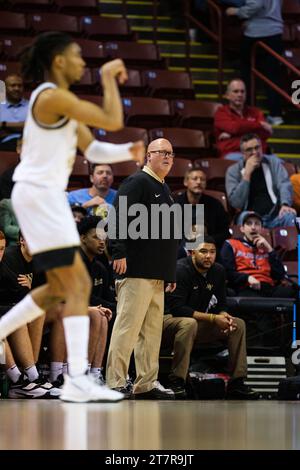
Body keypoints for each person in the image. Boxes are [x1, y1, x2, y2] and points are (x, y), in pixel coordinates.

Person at [0, 31, 145, 403]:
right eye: (79, 56)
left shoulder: (59, 105)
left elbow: (93, 145)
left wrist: (126, 150)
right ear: (60, 61)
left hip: (46, 197)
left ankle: (75, 376)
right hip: (37, 195)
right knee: (76, 283)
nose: (84, 61)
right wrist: (109, 78)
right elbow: (112, 118)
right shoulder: (51, 95)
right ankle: (77, 378)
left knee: (69, 286)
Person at [106, 138, 179, 399]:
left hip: (157, 274)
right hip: (136, 270)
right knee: (127, 328)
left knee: (151, 334)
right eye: (162, 152)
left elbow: (169, 236)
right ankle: (115, 382)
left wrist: (169, 272)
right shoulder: (138, 182)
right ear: (149, 155)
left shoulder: (164, 188)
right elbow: (117, 215)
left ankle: (146, 384)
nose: (168, 157)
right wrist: (118, 251)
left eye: (171, 153)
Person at [165, 236, 259, 399]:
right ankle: (177, 381)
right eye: (203, 251)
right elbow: (178, 309)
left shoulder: (218, 271)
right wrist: (214, 319)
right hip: (169, 322)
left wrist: (224, 316)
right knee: (189, 323)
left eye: (212, 252)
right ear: (192, 253)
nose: (208, 256)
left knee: (238, 324)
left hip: (198, 324)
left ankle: (236, 383)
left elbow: (222, 304)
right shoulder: (180, 269)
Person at [220, 211, 295, 345]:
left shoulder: (265, 247)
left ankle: (291, 344)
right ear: (242, 228)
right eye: (249, 224)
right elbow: (226, 271)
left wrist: (270, 250)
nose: (253, 227)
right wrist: (246, 278)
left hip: (268, 288)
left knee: (294, 292)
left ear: (261, 228)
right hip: (245, 288)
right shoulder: (231, 244)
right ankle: (263, 348)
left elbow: (279, 275)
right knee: (262, 316)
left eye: (257, 224)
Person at [226, 0, 284, 125]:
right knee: (272, 75)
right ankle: (275, 114)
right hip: (275, 32)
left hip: (257, 33)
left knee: (247, 72)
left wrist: (237, 12)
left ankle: (248, 113)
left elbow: (256, 4)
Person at [225, 133, 296, 228]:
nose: (255, 152)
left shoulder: (273, 163)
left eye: (257, 147)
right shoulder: (233, 171)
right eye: (249, 150)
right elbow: (236, 202)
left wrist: (285, 204)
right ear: (243, 154)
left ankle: (298, 243)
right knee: (244, 219)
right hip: (249, 216)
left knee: (289, 216)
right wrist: (247, 175)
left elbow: (284, 184)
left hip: (275, 215)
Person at [214, 78, 272, 160]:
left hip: (258, 154)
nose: (240, 95)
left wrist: (234, 135)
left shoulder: (256, 112)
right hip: (234, 154)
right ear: (227, 95)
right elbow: (234, 128)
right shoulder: (221, 113)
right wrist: (258, 125)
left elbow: (265, 133)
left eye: (242, 91)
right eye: (236, 91)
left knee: (282, 165)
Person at [175, 166, 230, 253]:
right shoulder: (174, 203)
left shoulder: (215, 204)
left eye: (202, 179)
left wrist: (208, 240)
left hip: (209, 249)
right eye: (194, 179)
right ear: (186, 182)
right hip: (181, 249)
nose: (199, 182)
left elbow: (225, 232)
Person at [0, 74, 29, 150]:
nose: (17, 88)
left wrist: (3, 125)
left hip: (28, 144)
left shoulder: (31, 106)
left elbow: (31, 127)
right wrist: (21, 127)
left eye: (20, 86)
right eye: (13, 86)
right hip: (3, 146)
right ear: (5, 88)